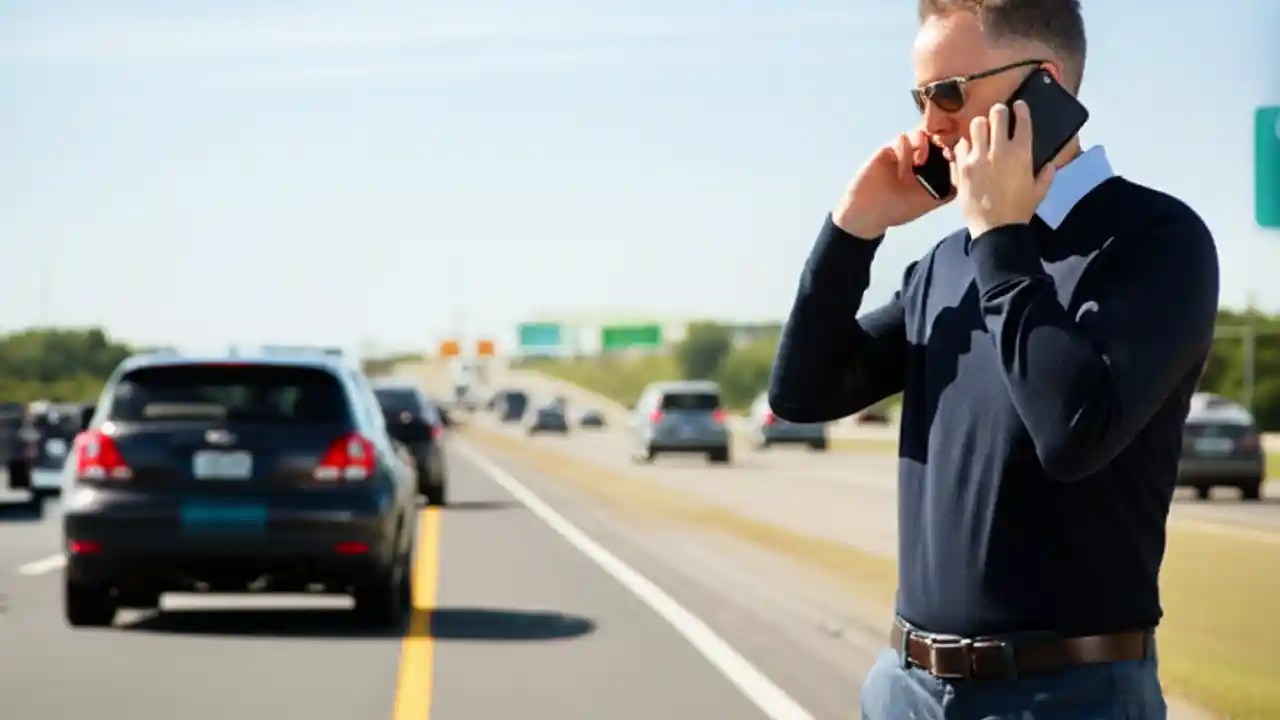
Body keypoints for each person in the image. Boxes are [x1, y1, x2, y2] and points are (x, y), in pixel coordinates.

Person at [768, 1, 1220, 718]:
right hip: (905, 688)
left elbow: (1074, 433)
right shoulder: (950, 262)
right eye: (921, 98)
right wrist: (853, 230)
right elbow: (801, 393)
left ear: (1043, 87)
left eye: (950, 93)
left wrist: (1002, 235)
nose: (931, 125)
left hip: (1068, 695)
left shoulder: (1157, 242)